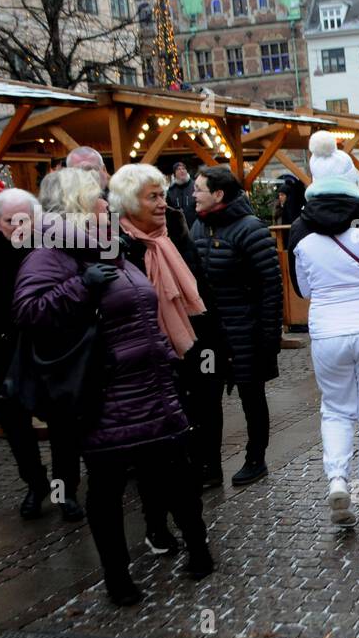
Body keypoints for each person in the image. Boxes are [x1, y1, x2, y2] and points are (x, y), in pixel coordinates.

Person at [14, 168, 213, 606]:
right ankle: (117, 578)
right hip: (106, 394)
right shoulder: (50, 254)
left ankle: (198, 549)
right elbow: (29, 311)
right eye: (97, 197)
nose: (106, 202)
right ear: (77, 204)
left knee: (178, 474)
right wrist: (79, 287)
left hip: (152, 385)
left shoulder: (107, 245)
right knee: (106, 489)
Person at [290, 130, 359, 526]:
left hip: (327, 329)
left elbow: (302, 289)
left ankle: (338, 479)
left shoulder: (299, 227)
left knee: (335, 409)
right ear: (349, 177)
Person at [0, 188, 84, 521]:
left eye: (27, 219)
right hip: (7, 352)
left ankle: (65, 490)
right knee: (15, 424)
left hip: (50, 349)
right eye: (12, 220)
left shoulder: (52, 247)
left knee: (62, 423)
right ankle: (35, 484)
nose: (20, 226)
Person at [109, 161, 228, 508]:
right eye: (153, 197)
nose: (163, 203)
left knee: (206, 404)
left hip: (198, 342)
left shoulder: (173, 230)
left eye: (162, 195)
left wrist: (220, 344)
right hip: (151, 353)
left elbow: (201, 289)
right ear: (129, 203)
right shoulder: (116, 246)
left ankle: (207, 468)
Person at [190, 166, 283, 487]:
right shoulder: (198, 226)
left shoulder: (250, 229)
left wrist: (268, 337)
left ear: (218, 194)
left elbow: (271, 288)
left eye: (199, 189)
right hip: (209, 335)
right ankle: (210, 466)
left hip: (245, 331)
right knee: (207, 400)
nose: (193, 195)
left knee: (251, 397)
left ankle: (256, 459)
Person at [166, 161, 197, 227]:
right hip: (179, 228)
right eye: (178, 169)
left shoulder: (195, 186)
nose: (182, 171)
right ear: (174, 174)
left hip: (195, 226)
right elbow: (168, 211)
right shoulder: (171, 191)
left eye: (183, 168)